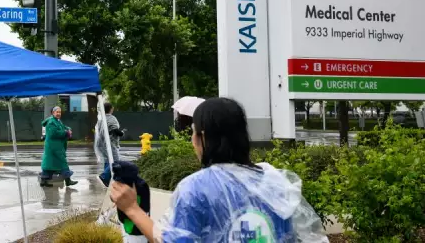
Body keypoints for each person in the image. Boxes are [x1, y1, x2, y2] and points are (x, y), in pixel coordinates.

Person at [110, 98, 328, 242]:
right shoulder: (274, 182)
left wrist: (132, 209)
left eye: (194, 134)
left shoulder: (194, 189)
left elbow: (170, 240)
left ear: (202, 137)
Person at [40, 106, 78, 187]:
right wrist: (66, 133)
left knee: (49, 164)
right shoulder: (51, 122)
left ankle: (43, 181)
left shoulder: (57, 121)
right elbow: (54, 134)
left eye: (60, 112)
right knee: (62, 163)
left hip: (54, 147)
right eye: (57, 112)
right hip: (54, 147)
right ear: (53, 113)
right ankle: (68, 181)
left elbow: (63, 127)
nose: (58, 114)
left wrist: (68, 129)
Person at [94, 103, 125, 187]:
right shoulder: (112, 118)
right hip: (110, 143)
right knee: (115, 161)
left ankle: (107, 180)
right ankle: (104, 176)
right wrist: (121, 133)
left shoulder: (101, 119)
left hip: (101, 143)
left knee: (107, 160)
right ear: (111, 109)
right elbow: (115, 130)